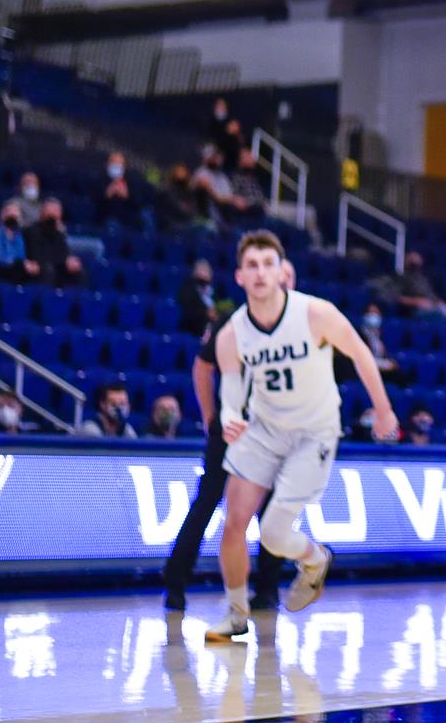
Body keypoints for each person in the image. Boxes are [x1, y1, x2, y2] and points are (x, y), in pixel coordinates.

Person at [207, 231, 399, 642]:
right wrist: (228, 415)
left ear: (282, 272)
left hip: (314, 431)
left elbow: (362, 355)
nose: (260, 273)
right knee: (233, 525)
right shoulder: (231, 334)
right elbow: (230, 386)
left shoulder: (316, 313)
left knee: (275, 534)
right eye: (252, 265)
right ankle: (236, 614)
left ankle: (315, 559)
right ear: (239, 276)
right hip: (263, 430)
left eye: (267, 264)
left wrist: (383, 409)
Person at [163, 298, 284, 614]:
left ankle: (267, 589)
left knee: (265, 509)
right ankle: (176, 582)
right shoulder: (235, 322)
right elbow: (203, 365)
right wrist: (209, 417)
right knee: (210, 503)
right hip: (239, 427)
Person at [27, 200, 84, 288]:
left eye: (56, 213)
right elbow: (37, 257)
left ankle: (80, 299)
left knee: (79, 270)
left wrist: (69, 261)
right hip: (39, 269)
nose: (53, 217)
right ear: (42, 214)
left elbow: (65, 253)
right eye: (50, 214)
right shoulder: (32, 231)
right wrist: (64, 260)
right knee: (49, 269)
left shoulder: (59, 233)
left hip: (57, 267)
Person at [178, 260, 218, 339]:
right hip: (193, 331)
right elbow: (188, 312)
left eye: (206, 271)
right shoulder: (188, 290)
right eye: (201, 271)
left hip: (212, 332)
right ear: (195, 273)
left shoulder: (213, 293)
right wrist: (206, 313)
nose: (204, 275)